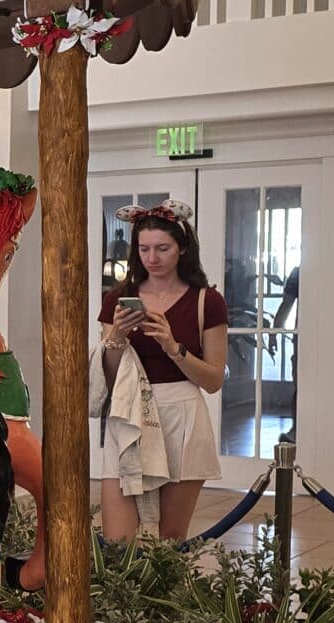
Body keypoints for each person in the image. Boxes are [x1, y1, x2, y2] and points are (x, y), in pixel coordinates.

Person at [97, 199, 228, 543]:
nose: (152, 258)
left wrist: (173, 347)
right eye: (144, 249)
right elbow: (108, 380)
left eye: (162, 248)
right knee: (117, 540)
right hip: (128, 413)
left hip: (182, 414)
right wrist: (117, 338)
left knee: (170, 539)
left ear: (182, 249)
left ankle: (170, 598)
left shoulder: (207, 301)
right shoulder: (117, 299)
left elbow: (213, 380)